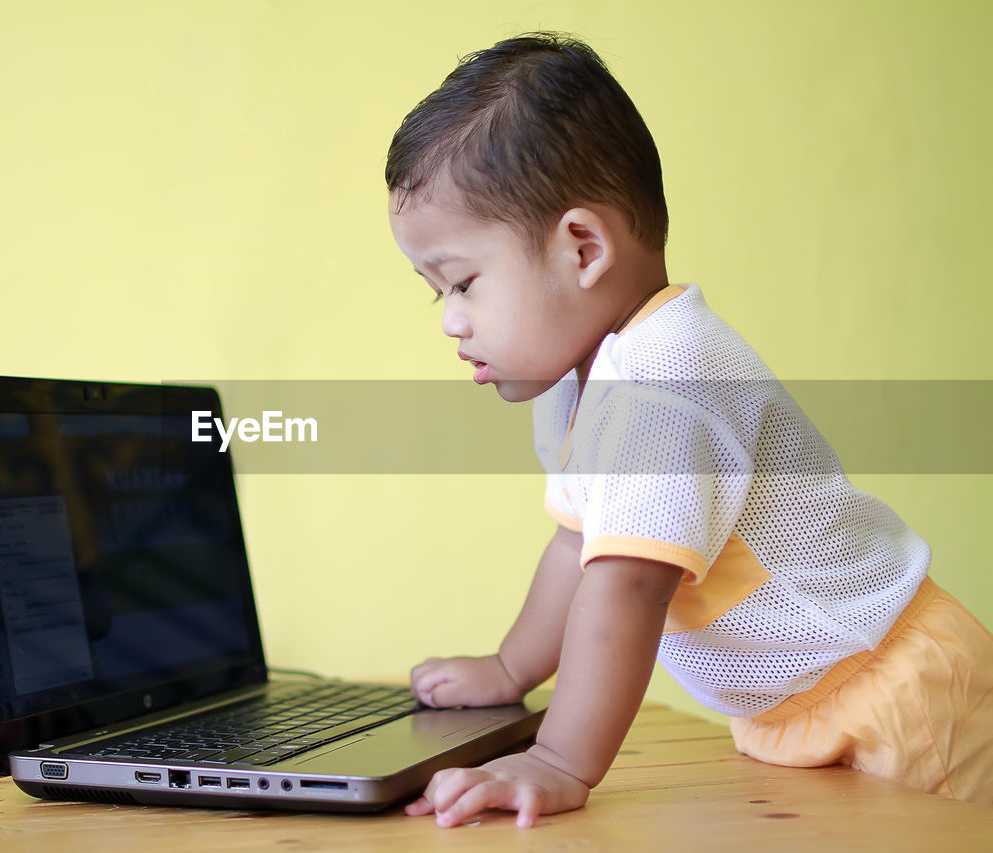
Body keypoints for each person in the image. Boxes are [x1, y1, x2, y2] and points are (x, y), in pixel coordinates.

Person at [385, 32, 993, 828]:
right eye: (439, 294)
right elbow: (578, 547)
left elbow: (627, 586)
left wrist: (559, 758)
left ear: (583, 247)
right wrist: (512, 666)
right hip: (800, 706)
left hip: (894, 691)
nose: (451, 321)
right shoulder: (583, 386)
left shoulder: (662, 386)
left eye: (462, 282)